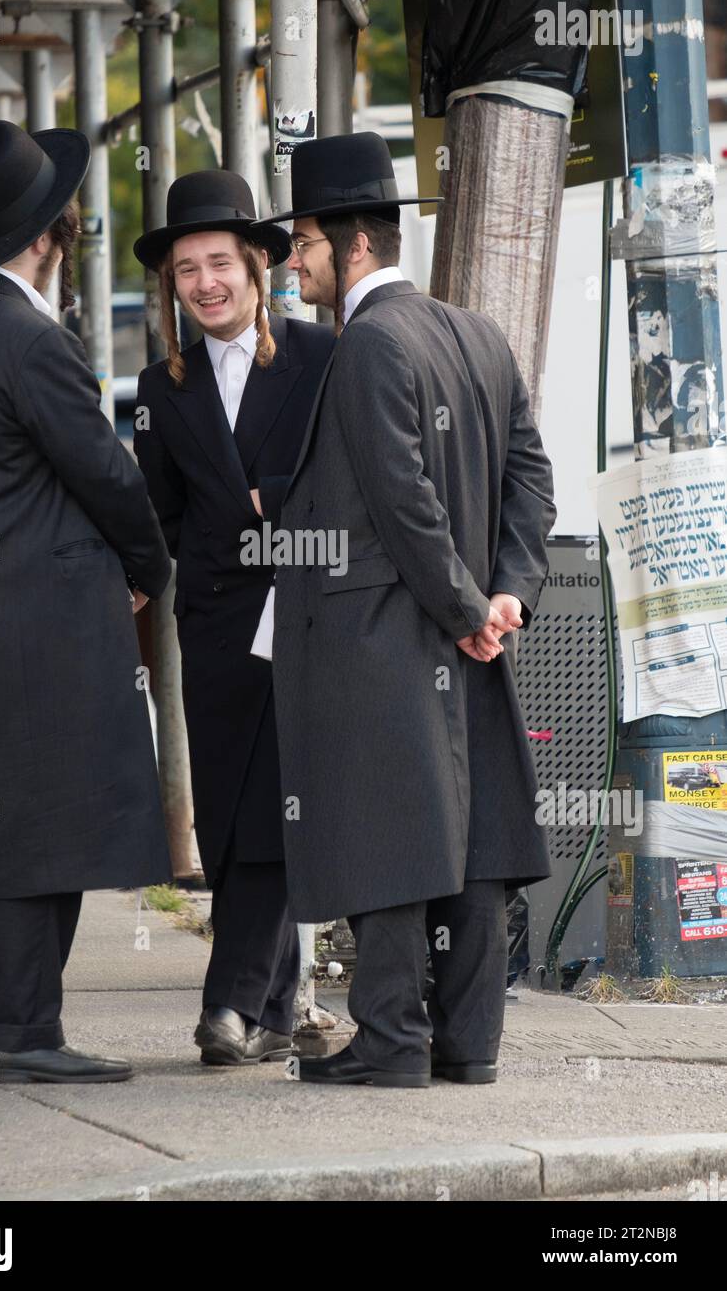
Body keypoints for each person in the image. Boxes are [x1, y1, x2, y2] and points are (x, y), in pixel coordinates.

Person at [261, 132, 556, 1087]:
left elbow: (401, 498)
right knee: (469, 842)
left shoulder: (371, 344)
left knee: (388, 829)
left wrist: (471, 604)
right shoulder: (477, 334)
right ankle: (468, 1046)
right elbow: (531, 484)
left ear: (350, 243)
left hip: (390, 635)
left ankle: (389, 1041)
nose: (288, 265)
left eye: (299, 243)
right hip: (463, 637)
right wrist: (506, 594)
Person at [0, 120, 172, 1085]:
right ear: (49, 234)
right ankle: (22, 1032)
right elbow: (106, 473)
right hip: (41, 626)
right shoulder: (31, 342)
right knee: (44, 825)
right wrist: (148, 564)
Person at [133, 170, 334, 1065]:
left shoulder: (321, 358)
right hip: (213, 628)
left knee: (274, 806)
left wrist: (276, 499)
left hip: (301, 616)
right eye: (186, 270)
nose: (205, 283)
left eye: (219, 262)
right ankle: (278, 1013)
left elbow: (351, 477)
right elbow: (161, 513)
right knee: (229, 816)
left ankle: (226, 1004)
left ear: (258, 266)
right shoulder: (158, 389)